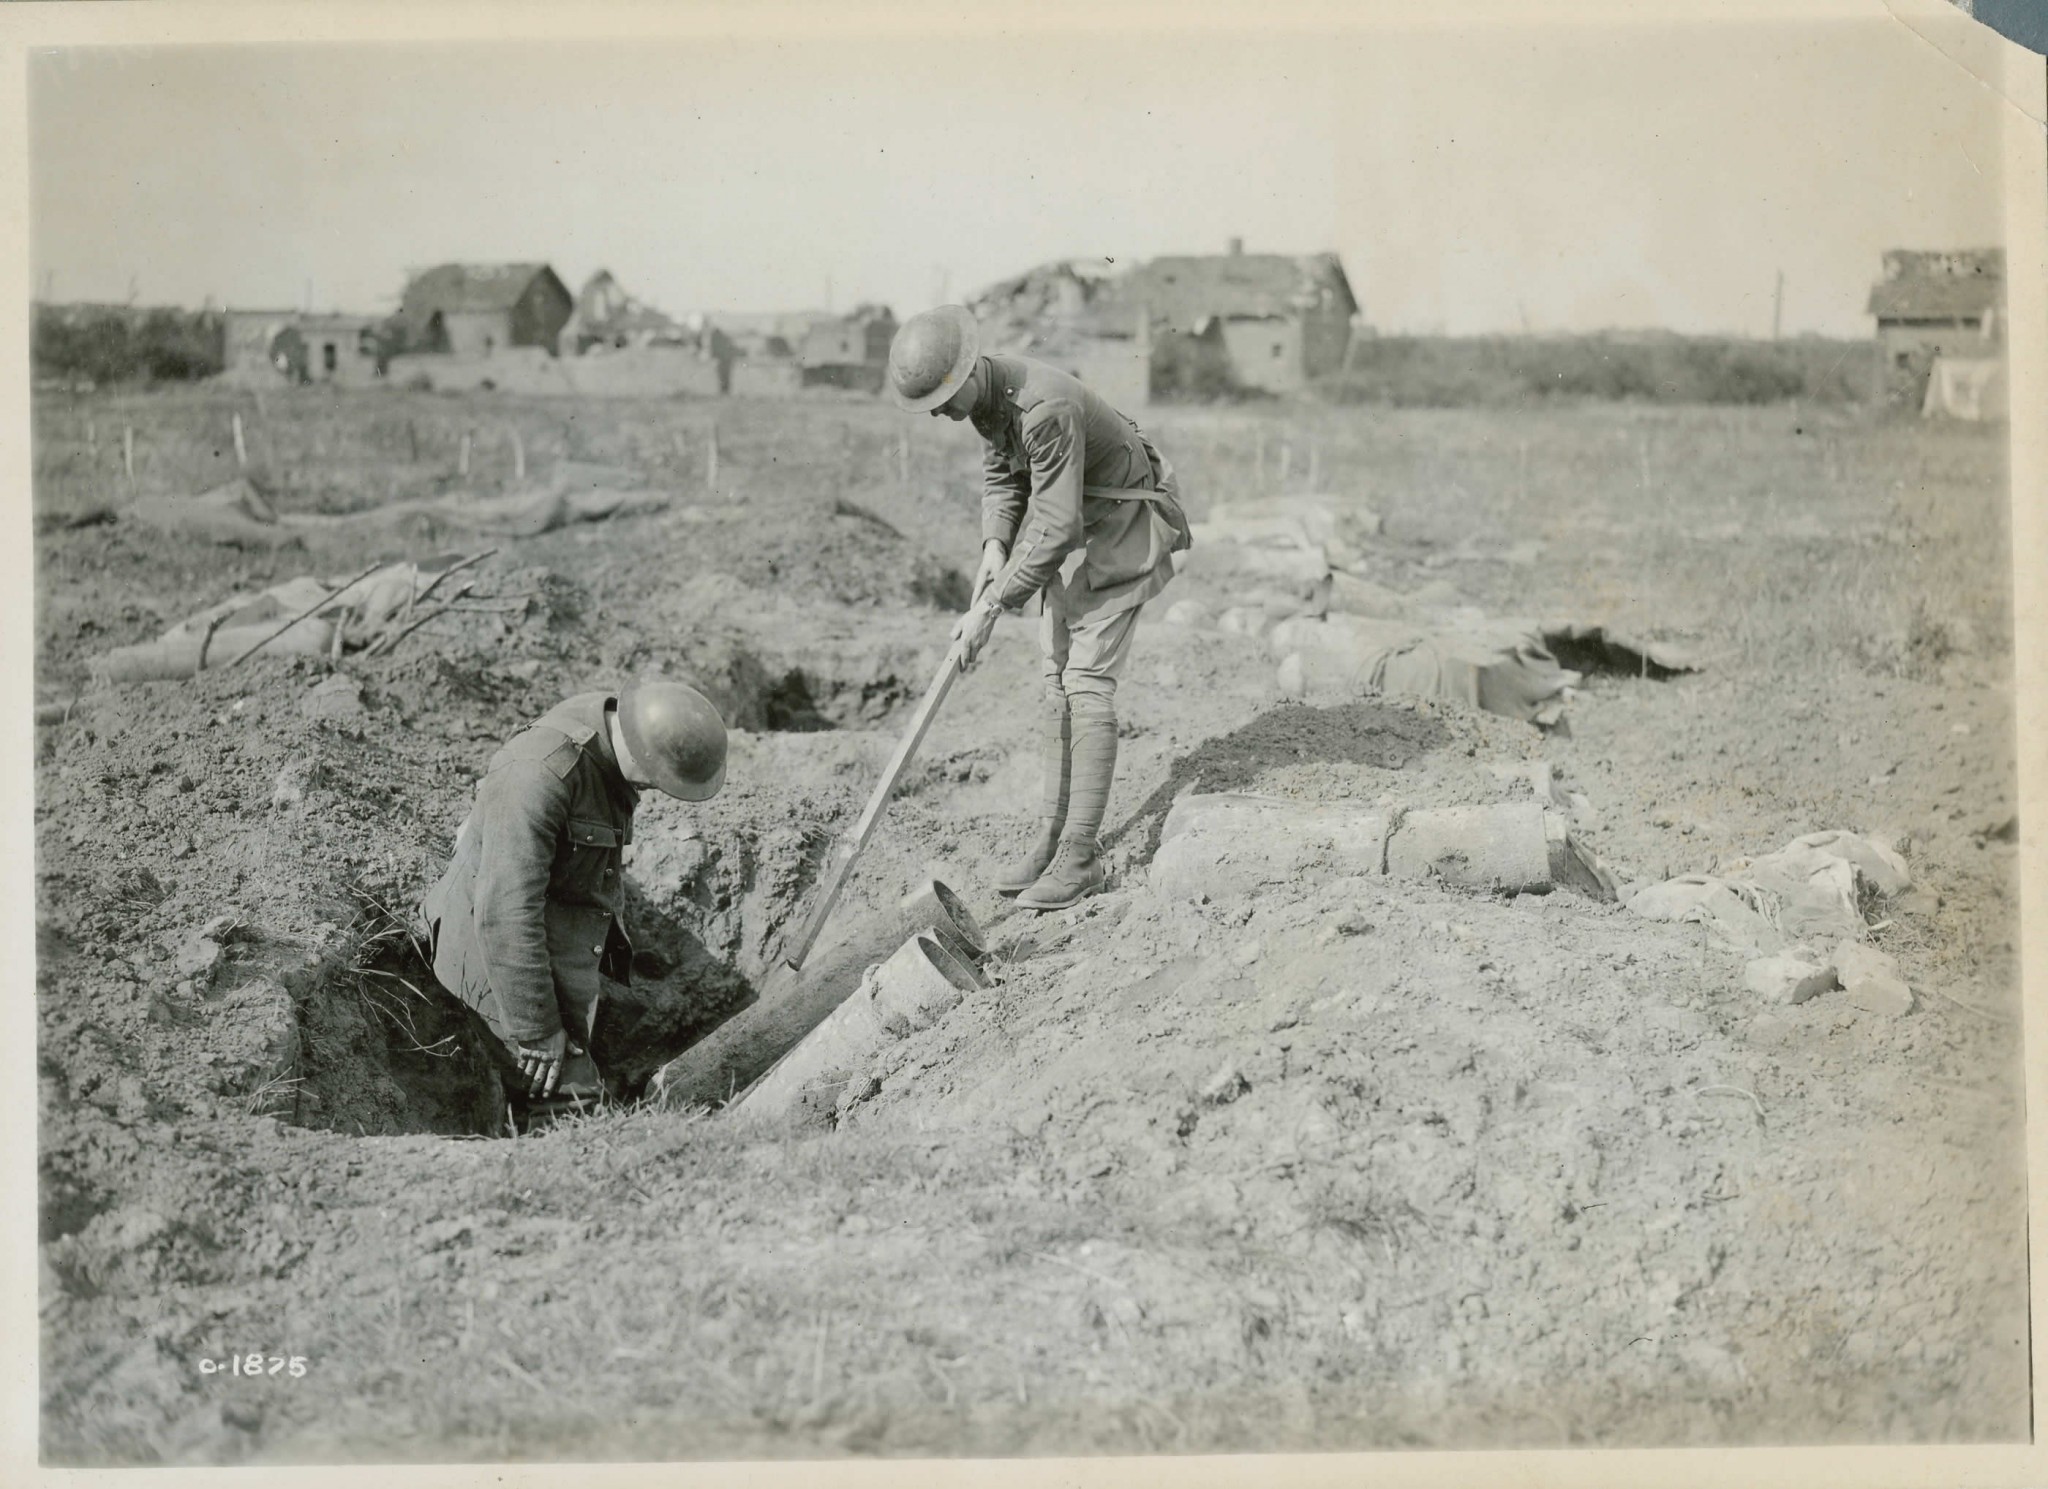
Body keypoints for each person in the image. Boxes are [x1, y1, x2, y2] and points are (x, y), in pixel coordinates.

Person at [886, 305, 1191, 911]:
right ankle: (1053, 837)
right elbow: (1005, 481)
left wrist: (991, 608)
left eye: (946, 399)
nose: (945, 414)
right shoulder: (988, 401)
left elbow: (1053, 527)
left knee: (1085, 680)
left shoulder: (1042, 405)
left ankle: (1081, 857)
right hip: (1080, 524)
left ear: (971, 368)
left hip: (1124, 520)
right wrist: (995, 548)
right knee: (1056, 681)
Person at [419, 682, 728, 1113]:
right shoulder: (539, 774)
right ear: (640, 753)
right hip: (492, 956)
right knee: (569, 1103)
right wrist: (537, 1030)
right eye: (659, 781)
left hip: (550, 929)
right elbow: (504, 913)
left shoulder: (607, 733)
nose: (656, 791)